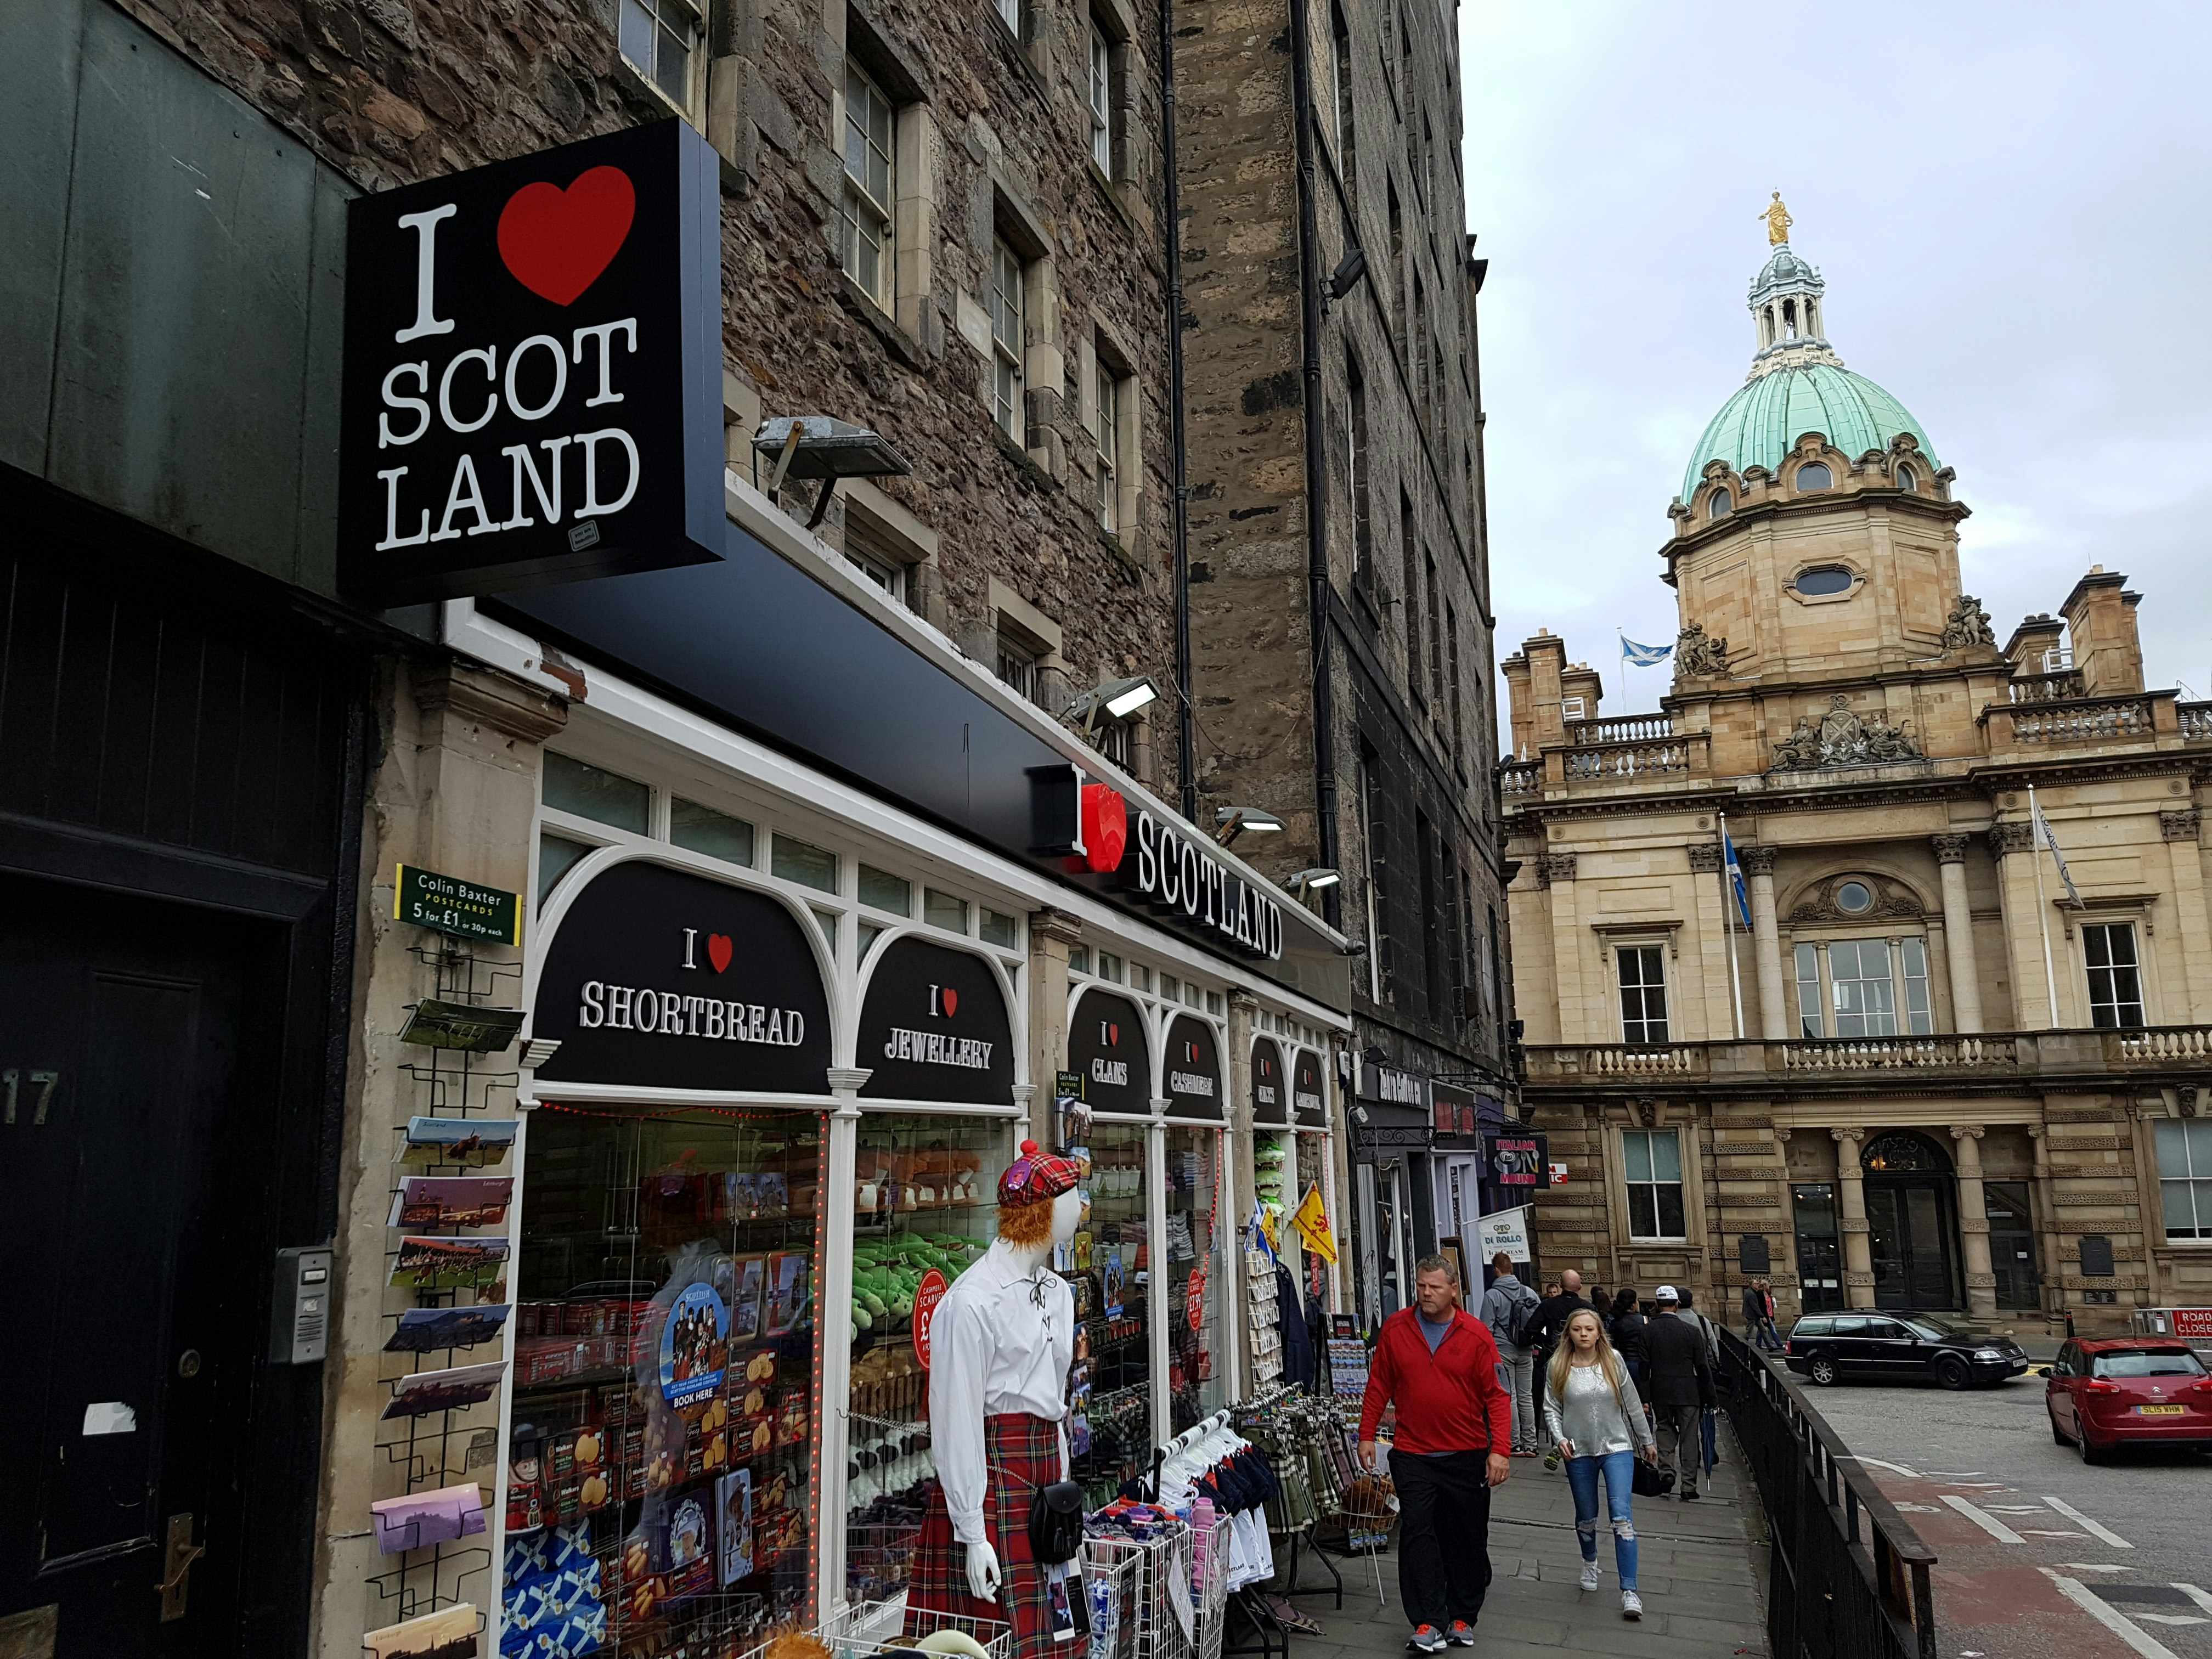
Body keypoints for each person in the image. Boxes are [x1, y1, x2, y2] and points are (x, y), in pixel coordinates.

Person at [1359, 1255, 1514, 1653]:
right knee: (1418, 1533)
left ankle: (1463, 1615)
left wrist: (1500, 1451)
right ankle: (1427, 1620)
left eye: (1435, 1287)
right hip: (1412, 1453)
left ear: (1453, 1290)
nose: (1426, 1293)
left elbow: (1497, 1397)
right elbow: (1379, 1385)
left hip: (1466, 1454)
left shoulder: (1476, 1335)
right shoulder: (1396, 1329)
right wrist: (1366, 1435)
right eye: (1421, 1286)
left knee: (1466, 1536)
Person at [1542, 1308, 1658, 1621]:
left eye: (1589, 1329)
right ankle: (1590, 1562)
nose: (1583, 1334)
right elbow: (1551, 1407)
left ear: (1598, 1333)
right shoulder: (1557, 1365)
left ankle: (1630, 1591)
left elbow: (1632, 1403)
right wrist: (1559, 1438)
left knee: (1622, 1518)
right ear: (1569, 1333)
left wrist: (1647, 1441)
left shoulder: (1613, 1360)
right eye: (1577, 1329)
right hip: (1578, 1452)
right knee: (1586, 1516)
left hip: (1616, 1447)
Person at [1641, 1286, 1714, 1500]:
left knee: (1664, 1430)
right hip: (1688, 1391)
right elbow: (1702, 1367)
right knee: (1690, 1438)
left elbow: (1644, 1367)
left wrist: (1644, 1397)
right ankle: (1689, 1486)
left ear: (1657, 1305)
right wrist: (1711, 1397)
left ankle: (1666, 1473)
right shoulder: (1691, 1332)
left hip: (1660, 1390)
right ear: (1677, 1305)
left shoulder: (1647, 1331)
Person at [1478, 1252, 1542, 1456]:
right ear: (1512, 1269)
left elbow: (1485, 1329)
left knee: (1510, 1397)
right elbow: (1539, 1323)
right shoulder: (1530, 1293)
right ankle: (1531, 1444)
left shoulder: (1492, 1296)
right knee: (1526, 1397)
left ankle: (1514, 1443)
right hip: (1526, 1350)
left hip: (1502, 1351)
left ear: (1496, 1270)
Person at [1525, 1267, 1594, 1370]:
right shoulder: (1589, 1308)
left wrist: (1546, 1342)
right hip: (1582, 1357)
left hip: (1555, 1355)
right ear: (1580, 1286)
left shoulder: (1548, 1305)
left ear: (1560, 1285)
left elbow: (1530, 1329)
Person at [1606, 1288, 1649, 1391]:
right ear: (1633, 1305)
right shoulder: (1644, 1320)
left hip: (1622, 1362)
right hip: (1641, 1362)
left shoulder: (1615, 1323)